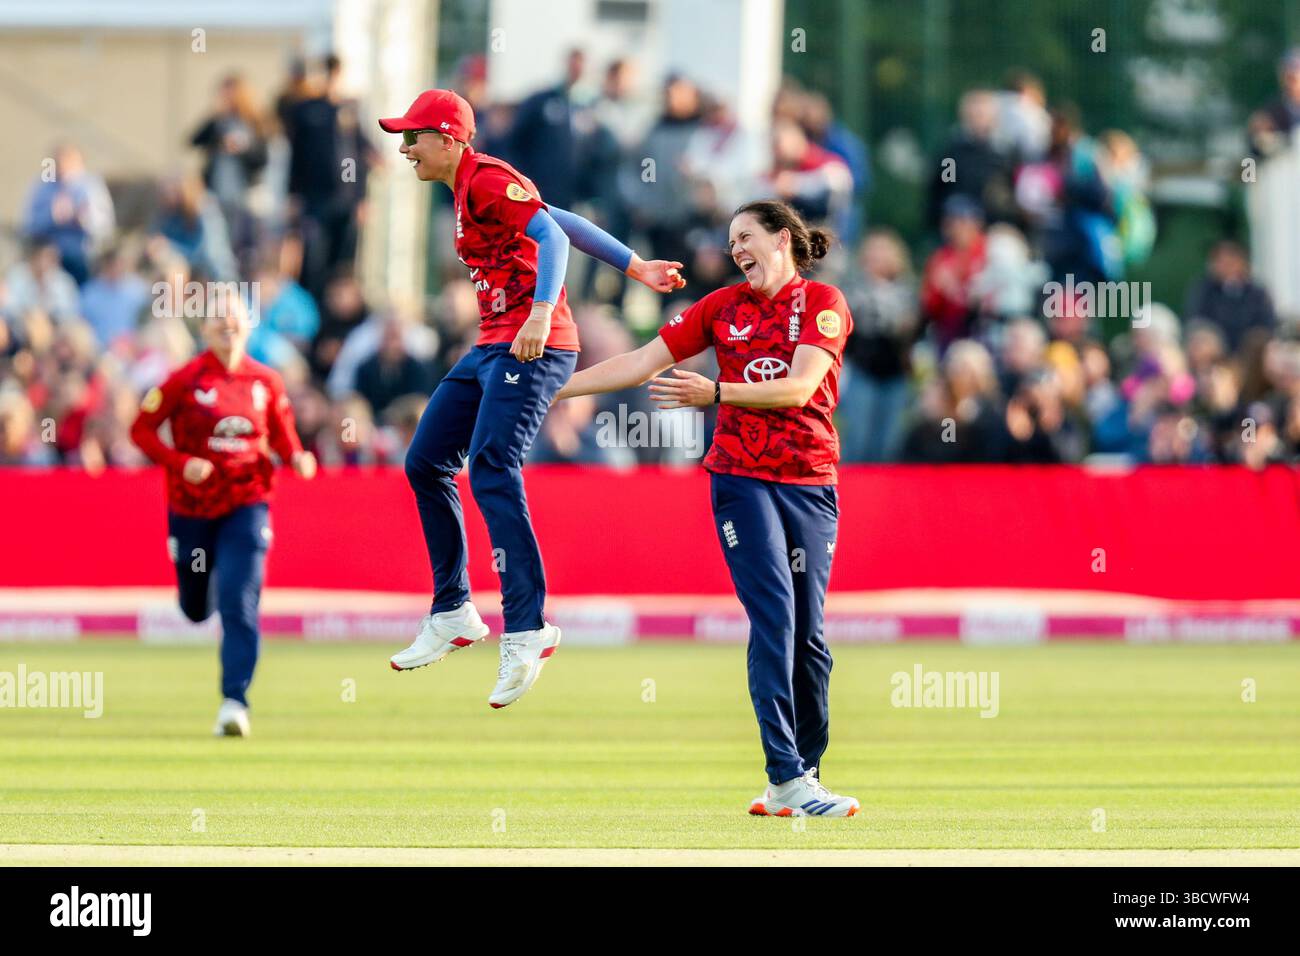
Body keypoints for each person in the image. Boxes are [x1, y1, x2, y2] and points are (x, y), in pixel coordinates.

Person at [376, 89, 684, 707]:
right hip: (494, 345)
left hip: (535, 345)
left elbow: (552, 237)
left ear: (449, 138)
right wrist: (635, 266)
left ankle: (527, 627)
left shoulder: (486, 177)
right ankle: (454, 611)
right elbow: (558, 218)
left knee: (492, 465)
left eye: (414, 136)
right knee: (426, 460)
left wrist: (542, 313)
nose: (405, 148)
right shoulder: (468, 189)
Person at [555, 199, 860, 817]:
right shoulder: (721, 309)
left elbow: (801, 387)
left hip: (809, 480)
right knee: (773, 615)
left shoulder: (823, 304)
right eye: (730, 241)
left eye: (746, 236)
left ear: (783, 240)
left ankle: (800, 775)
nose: (736, 249)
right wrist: (552, 389)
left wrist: (717, 391)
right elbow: (641, 362)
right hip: (740, 478)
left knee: (809, 635)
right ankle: (788, 774)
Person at [130, 296, 317, 736]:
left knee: (240, 601)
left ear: (248, 326)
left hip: (248, 503)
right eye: (218, 318)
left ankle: (235, 701)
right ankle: (202, 592)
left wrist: (299, 459)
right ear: (204, 329)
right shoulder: (184, 379)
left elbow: (285, 439)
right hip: (192, 507)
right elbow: (139, 429)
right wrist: (181, 463)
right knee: (196, 609)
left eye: (234, 316)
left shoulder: (266, 381)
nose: (227, 324)